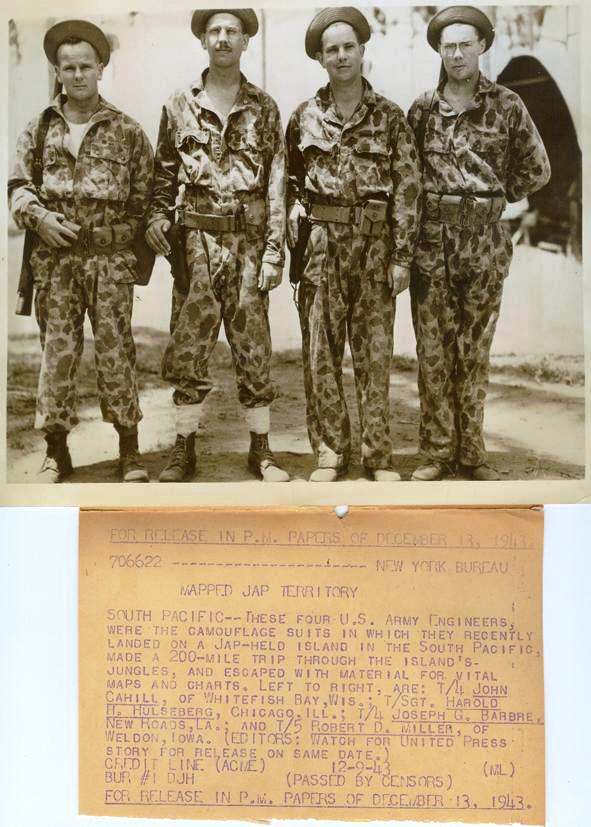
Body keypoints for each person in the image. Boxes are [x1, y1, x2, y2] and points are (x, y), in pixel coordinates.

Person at [408, 5, 551, 481]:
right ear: (440, 51)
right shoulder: (423, 109)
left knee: (474, 352)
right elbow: (407, 177)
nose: (456, 53)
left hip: (485, 245)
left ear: (482, 47)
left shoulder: (508, 105)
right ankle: (435, 454)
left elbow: (537, 168)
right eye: (447, 45)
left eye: (465, 44)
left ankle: (472, 455)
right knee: (433, 352)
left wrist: (493, 199)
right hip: (432, 245)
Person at [146, 9, 289, 483]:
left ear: (246, 41)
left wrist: (273, 251)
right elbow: (164, 175)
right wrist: (157, 220)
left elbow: (275, 184)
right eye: (215, 31)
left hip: (248, 244)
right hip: (197, 246)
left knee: (254, 349)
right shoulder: (177, 105)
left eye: (233, 31)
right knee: (189, 349)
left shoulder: (264, 108)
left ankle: (262, 450)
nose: (223, 39)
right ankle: (182, 449)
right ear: (203, 40)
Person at [8, 19, 154, 483]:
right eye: (67, 67)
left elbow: (146, 199)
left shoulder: (127, 131)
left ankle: (129, 449)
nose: (77, 75)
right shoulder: (39, 128)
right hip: (54, 263)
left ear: (101, 68)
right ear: (57, 70)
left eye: (85, 66)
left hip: (110, 264)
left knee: (116, 353)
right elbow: (17, 188)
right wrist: (40, 218)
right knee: (58, 354)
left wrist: (127, 245)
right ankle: (56, 450)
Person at [286, 7, 422, 482]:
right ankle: (329, 452)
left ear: (362, 51)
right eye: (331, 50)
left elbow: (408, 190)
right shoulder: (304, 117)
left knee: (374, 355)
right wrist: (292, 213)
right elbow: (289, 181)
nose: (341, 56)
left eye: (348, 47)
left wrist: (402, 257)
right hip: (321, 248)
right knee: (320, 354)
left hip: (375, 247)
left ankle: (377, 456)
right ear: (320, 59)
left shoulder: (390, 118)